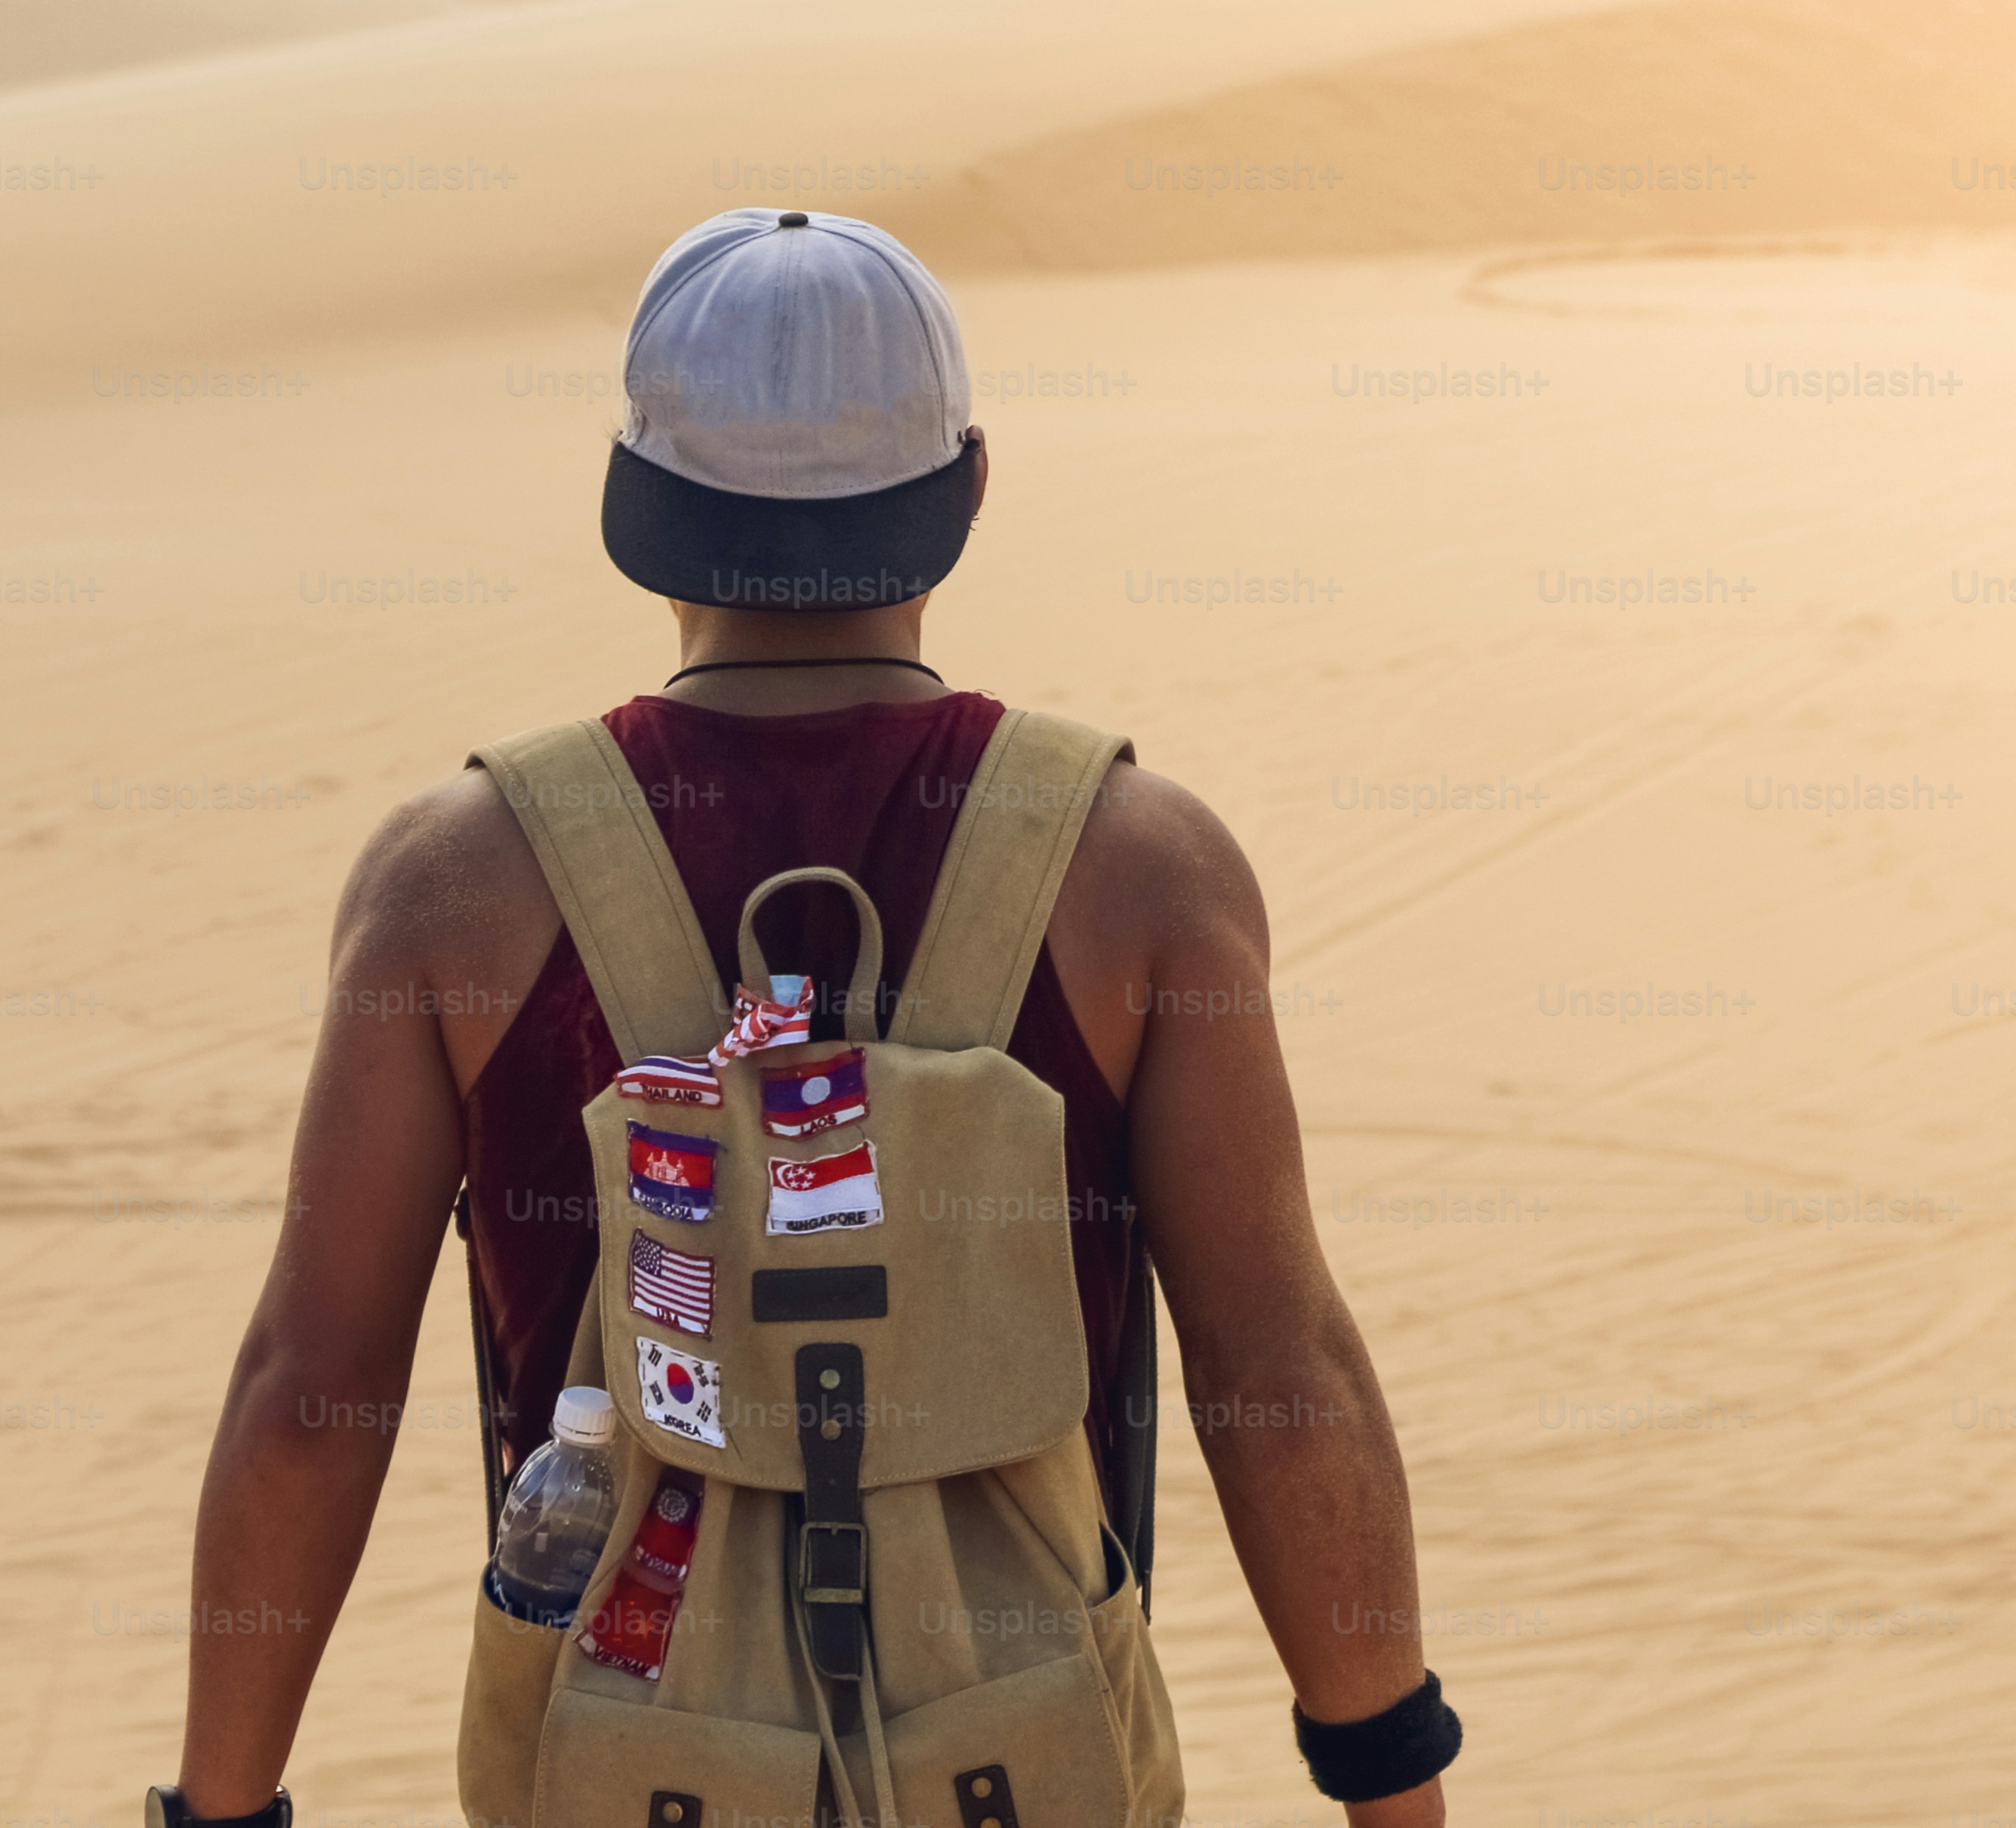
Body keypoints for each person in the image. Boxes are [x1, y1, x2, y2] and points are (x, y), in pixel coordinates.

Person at [159, 209, 1460, 1826]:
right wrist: (1393, 1793)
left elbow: (309, 1391)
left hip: (616, 1768)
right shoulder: (1140, 869)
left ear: (634, 505)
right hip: (1031, 1759)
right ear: (969, 492)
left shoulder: (458, 880)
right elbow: (1283, 1379)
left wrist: (221, 1808)